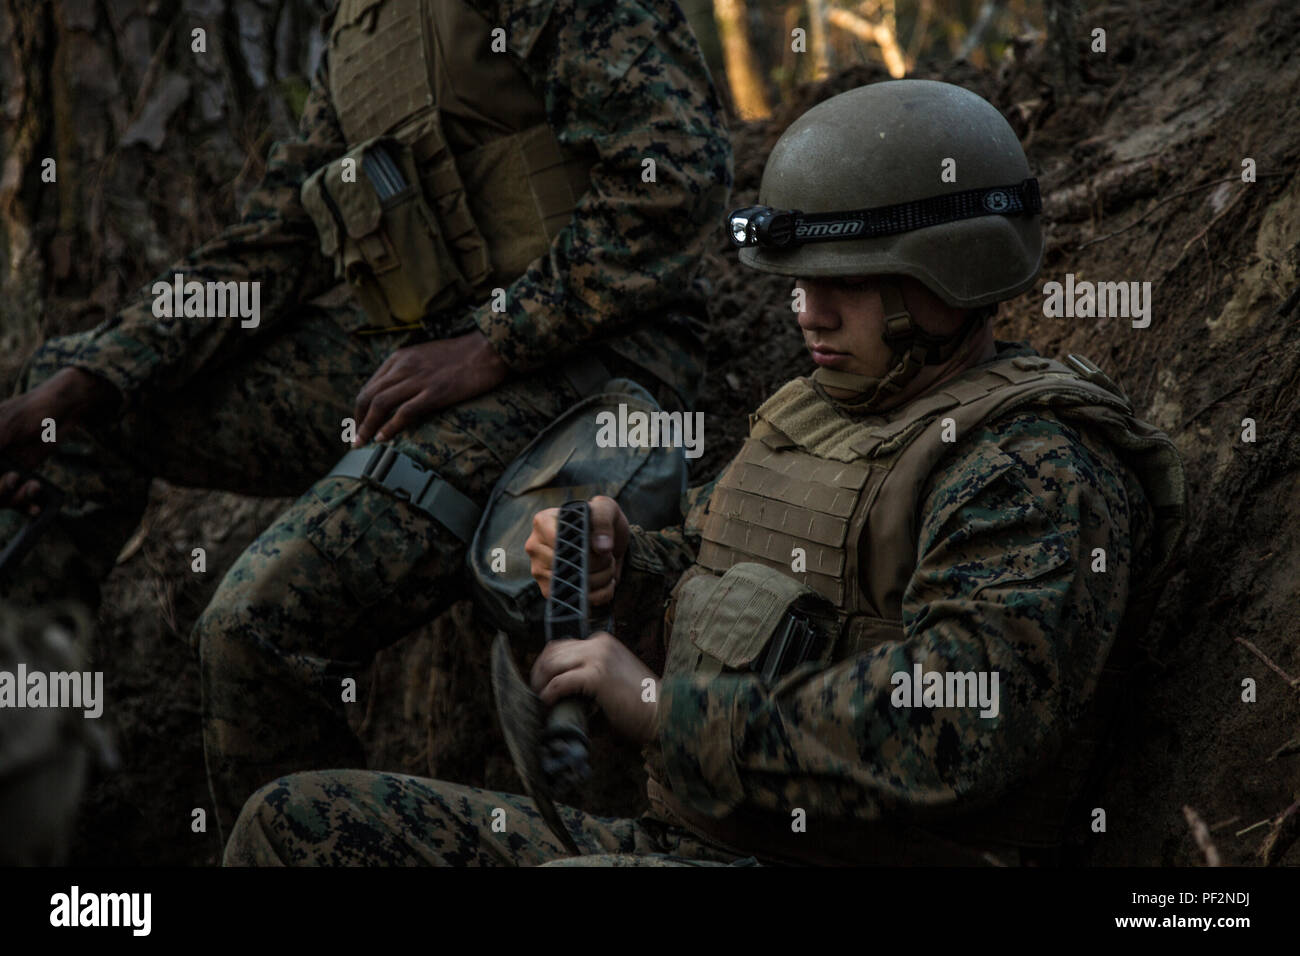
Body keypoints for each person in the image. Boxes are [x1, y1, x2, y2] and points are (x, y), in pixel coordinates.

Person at [223, 79, 1186, 867]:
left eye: (840, 284)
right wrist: (623, 563)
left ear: (945, 274)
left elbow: (964, 721)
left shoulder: (1032, 466)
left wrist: (654, 707)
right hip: (690, 842)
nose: (806, 313)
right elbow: (735, 555)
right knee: (288, 825)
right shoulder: (823, 407)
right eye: (798, 285)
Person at [0, 0, 732, 841]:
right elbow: (275, 242)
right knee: (74, 412)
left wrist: (492, 342)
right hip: (421, 345)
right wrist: (83, 383)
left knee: (252, 632)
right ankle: (38, 784)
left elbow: (675, 179)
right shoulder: (362, 22)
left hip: (591, 362)